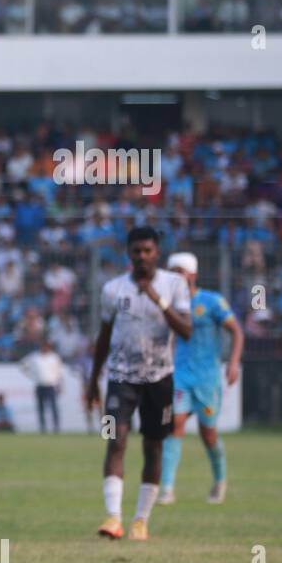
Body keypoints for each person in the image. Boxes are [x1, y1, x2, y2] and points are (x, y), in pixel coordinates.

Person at [86, 227, 192, 542]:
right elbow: (103, 337)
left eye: (147, 251)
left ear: (156, 252)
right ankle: (113, 517)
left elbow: (186, 330)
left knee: (153, 446)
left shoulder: (174, 285)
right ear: (128, 254)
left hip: (160, 379)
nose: (142, 257)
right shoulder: (112, 290)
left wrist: (157, 300)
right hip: (120, 378)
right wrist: (93, 382)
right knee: (114, 440)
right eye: (136, 251)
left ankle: (141, 520)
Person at [159, 252, 244, 505]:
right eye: (171, 272)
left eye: (179, 272)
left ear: (192, 274)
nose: (175, 277)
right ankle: (167, 488)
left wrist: (233, 363)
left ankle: (219, 480)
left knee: (208, 434)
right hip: (181, 377)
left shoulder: (211, 301)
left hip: (207, 380)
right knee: (175, 425)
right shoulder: (170, 306)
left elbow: (236, 331)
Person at [19, 339, 64, 433]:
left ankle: (56, 427)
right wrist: (32, 375)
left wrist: (59, 384)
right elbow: (23, 365)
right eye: (44, 346)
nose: (45, 348)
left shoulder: (54, 357)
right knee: (41, 408)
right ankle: (43, 428)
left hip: (51, 385)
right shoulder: (35, 356)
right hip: (40, 385)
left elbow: (59, 372)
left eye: (47, 346)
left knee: (53, 407)